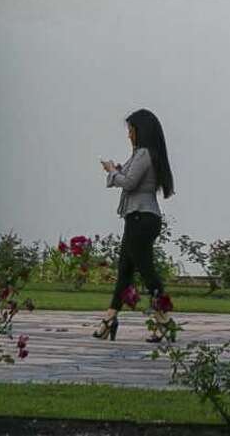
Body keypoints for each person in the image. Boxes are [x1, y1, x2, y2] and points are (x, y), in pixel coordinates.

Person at [93, 108, 173, 341]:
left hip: (141, 218)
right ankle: (110, 318)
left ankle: (164, 320)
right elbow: (130, 179)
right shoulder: (141, 154)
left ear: (141, 130)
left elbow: (129, 183)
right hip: (136, 218)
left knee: (147, 272)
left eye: (131, 130)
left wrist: (111, 172)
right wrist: (117, 170)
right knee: (124, 272)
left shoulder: (144, 154)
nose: (129, 135)